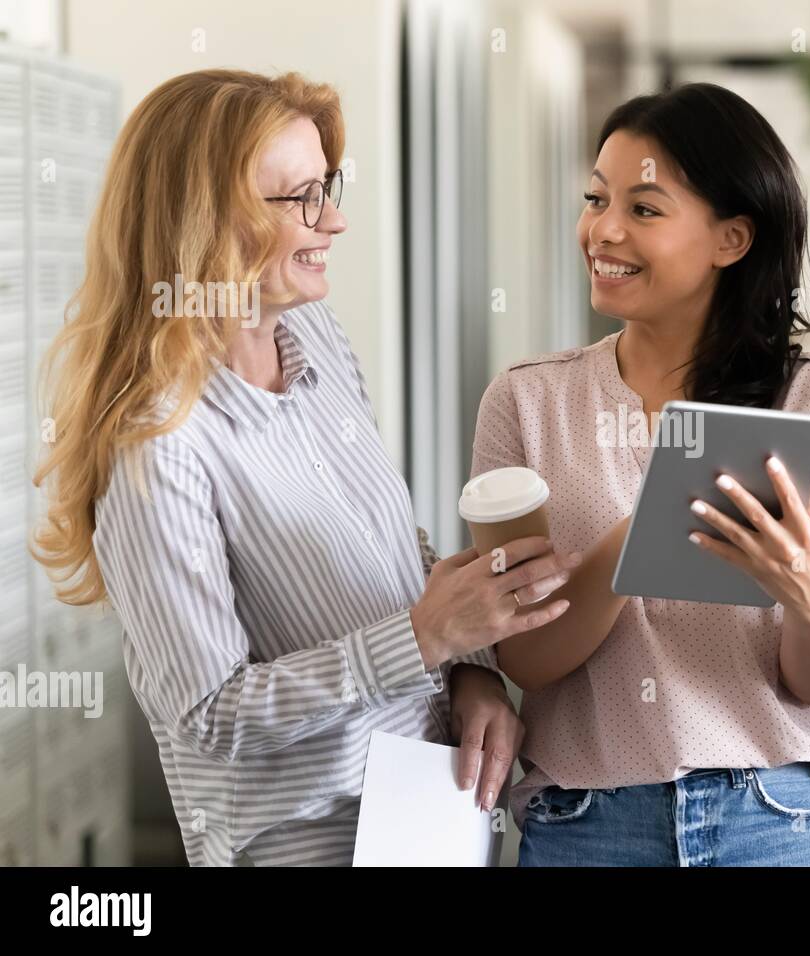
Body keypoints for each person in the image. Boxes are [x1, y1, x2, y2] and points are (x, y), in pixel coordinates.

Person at [31, 69, 579, 866]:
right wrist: (425, 638)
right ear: (207, 220)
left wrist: (470, 673)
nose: (336, 220)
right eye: (302, 198)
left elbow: (387, 550)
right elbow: (208, 713)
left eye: (330, 187)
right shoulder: (157, 442)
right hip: (306, 844)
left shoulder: (312, 336)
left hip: (427, 808)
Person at [471, 83, 810, 866]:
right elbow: (524, 659)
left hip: (779, 817)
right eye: (597, 199)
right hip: (588, 823)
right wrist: (651, 532)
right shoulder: (527, 401)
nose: (603, 230)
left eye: (645, 209)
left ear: (731, 239)